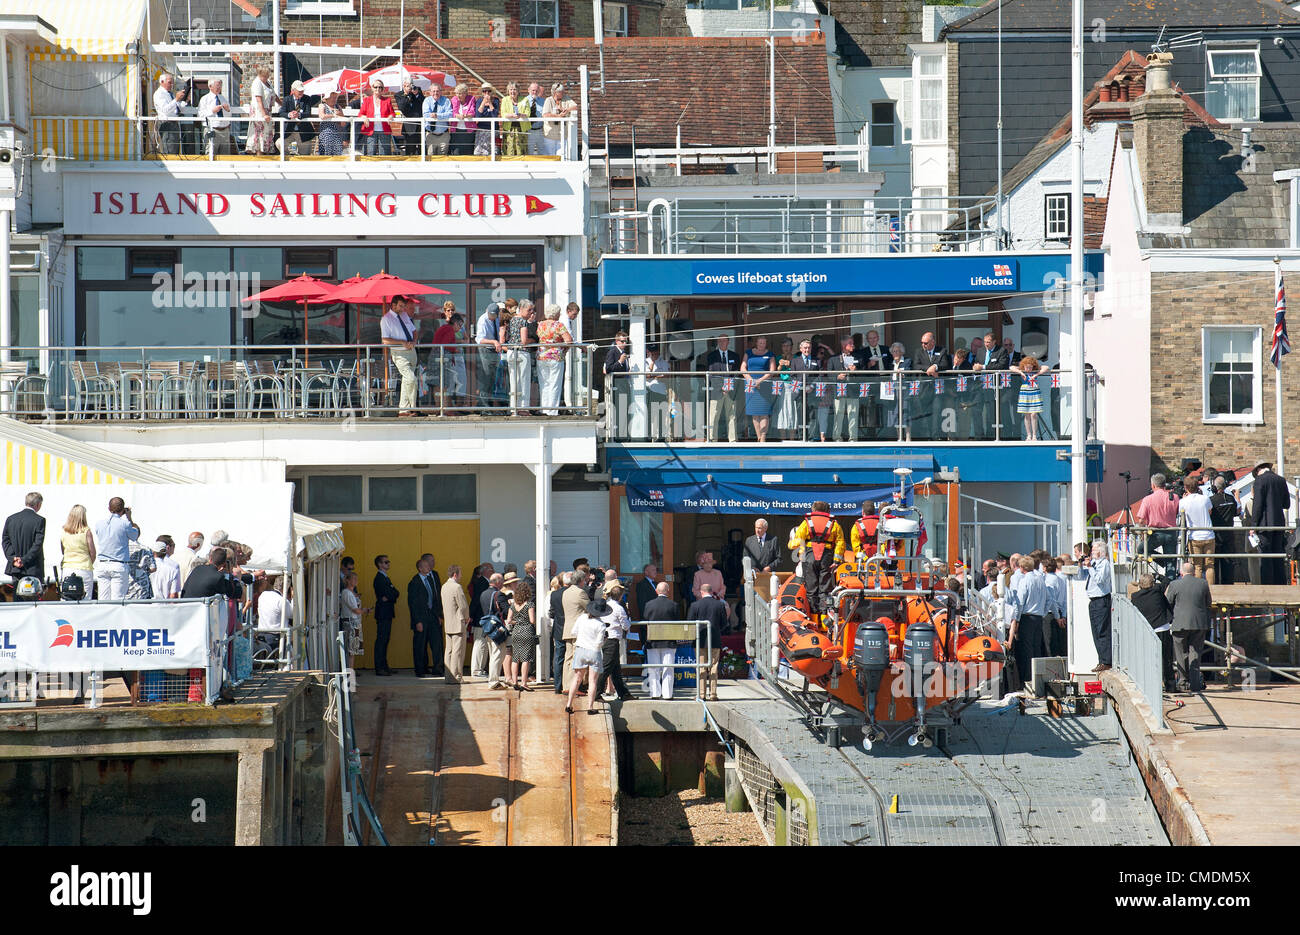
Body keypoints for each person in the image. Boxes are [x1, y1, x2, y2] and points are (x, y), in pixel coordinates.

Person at [787, 501, 846, 618]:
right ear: (827, 511)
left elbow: (798, 540)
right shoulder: (834, 524)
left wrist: (791, 544)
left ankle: (814, 618)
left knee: (811, 589)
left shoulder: (806, 523)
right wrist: (836, 561)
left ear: (814, 510)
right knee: (825, 589)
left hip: (809, 557)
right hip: (827, 557)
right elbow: (840, 543)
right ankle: (824, 618)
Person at [1165, 561, 1211, 694]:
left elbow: (1168, 602)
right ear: (1194, 572)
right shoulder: (1203, 583)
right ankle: (1195, 683)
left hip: (1179, 623)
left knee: (1180, 654)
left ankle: (1183, 682)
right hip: (1198, 623)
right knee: (1195, 653)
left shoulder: (1174, 584)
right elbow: (1208, 602)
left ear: (1181, 572)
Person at [1131, 572, 1177, 692]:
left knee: (1147, 659)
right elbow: (1167, 581)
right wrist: (1157, 576)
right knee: (1166, 659)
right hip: (1162, 628)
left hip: (1146, 631)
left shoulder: (1135, 597)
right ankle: (1170, 686)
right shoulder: (1157, 590)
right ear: (1152, 584)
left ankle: (1148, 686)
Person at [686, 582, 729, 701]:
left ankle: (701, 694)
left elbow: (690, 623)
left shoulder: (695, 605)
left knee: (701, 667)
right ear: (711, 591)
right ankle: (713, 694)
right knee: (714, 666)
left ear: (701, 592)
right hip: (714, 639)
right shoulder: (719, 605)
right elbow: (724, 623)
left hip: (699, 640)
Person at [1009, 555, 1047, 688]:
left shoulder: (1025, 581)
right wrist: (1042, 611)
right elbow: (1047, 599)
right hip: (1038, 617)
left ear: (1022, 568)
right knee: (1037, 648)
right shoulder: (1041, 579)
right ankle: (1038, 678)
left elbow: (1019, 602)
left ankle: (1028, 679)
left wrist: (1016, 619)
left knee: (1027, 649)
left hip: (1027, 616)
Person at [566, 595, 608, 714]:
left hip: (581, 649)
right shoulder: (601, 625)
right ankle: (590, 707)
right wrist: (604, 640)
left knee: (577, 678)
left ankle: (569, 704)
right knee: (593, 681)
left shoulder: (582, 618)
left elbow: (573, 632)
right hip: (594, 652)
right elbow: (599, 643)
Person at [1251, 460, 1291, 585]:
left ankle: (1267, 588)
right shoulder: (1281, 480)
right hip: (1279, 524)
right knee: (1278, 557)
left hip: (1264, 524)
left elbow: (1257, 506)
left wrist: (1253, 526)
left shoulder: (1259, 480)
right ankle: (1281, 585)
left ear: (1258, 470)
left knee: (1266, 558)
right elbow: (1287, 504)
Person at [381, 295, 421, 416]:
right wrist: (402, 342)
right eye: (401, 306)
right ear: (393, 305)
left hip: (411, 351)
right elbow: (385, 340)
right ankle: (413, 408)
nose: (403, 308)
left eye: (404, 306)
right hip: (399, 353)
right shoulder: (386, 319)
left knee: (407, 381)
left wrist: (413, 341)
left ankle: (403, 410)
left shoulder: (404, 315)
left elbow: (414, 331)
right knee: (411, 378)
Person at [91, 498, 138, 601]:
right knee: (118, 600)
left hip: (103, 564)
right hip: (118, 565)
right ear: (123, 509)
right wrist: (129, 518)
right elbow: (135, 535)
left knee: (103, 599)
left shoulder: (99, 524)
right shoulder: (125, 524)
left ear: (109, 508)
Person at [1077, 539, 1113, 672]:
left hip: (1101, 599)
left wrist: (1090, 567)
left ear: (1101, 552)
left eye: (1094, 549)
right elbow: (1081, 577)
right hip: (1093, 600)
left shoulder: (1104, 564)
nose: (1091, 552)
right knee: (1095, 632)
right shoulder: (1093, 563)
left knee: (1102, 631)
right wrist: (1082, 565)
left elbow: (1099, 579)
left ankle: (1107, 660)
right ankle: (1101, 659)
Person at [641, 581, 680, 700]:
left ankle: (655, 693)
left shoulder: (649, 605)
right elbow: (677, 623)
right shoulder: (673, 605)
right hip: (669, 641)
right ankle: (668, 694)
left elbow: (645, 621)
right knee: (668, 668)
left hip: (653, 641)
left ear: (656, 591)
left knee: (653, 668)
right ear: (667, 591)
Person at [1136, 473, 1179, 576]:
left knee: (1141, 549)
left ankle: (1163, 561)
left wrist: (1142, 533)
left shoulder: (1148, 499)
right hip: (1171, 532)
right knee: (1171, 562)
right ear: (1165, 484)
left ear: (1153, 485)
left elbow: (1141, 520)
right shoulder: (1175, 497)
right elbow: (1177, 513)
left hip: (1155, 533)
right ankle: (1170, 586)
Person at [1178, 475, 1216, 584]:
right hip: (1208, 535)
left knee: (1197, 566)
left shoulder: (1183, 502)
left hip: (1194, 537)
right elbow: (1210, 511)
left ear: (1186, 487)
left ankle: (1199, 590)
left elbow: (1182, 516)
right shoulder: (1205, 498)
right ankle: (1211, 590)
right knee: (1210, 565)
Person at [535, 303, 572, 415]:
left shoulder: (540, 325)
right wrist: (563, 350)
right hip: (555, 356)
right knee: (554, 384)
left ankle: (544, 409)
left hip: (541, 356)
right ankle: (552, 411)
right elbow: (569, 340)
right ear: (556, 314)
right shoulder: (558, 325)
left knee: (544, 384)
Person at [408, 555, 441, 678]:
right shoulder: (414, 582)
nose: (429, 567)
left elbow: (436, 598)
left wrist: (438, 615)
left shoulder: (431, 579)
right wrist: (417, 621)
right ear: (420, 568)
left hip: (432, 616)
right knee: (420, 644)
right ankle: (420, 670)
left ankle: (438, 668)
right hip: (421, 618)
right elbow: (412, 604)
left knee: (436, 643)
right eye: (426, 566)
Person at [915, 331, 952, 440]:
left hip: (937, 389)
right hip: (924, 389)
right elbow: (916, 365)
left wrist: (935, 366)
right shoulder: (919, 352)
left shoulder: (942, 350)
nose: (923, 345)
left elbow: (945, 364)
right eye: (922, 342)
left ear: (932, 342)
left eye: (925, 343)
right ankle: (926, 437)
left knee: (936, 412)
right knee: (925, 414)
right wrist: (929, 369)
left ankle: (936, 437)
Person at [479, 572, 511, 689]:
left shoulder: (483, 594)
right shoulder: (499, 594)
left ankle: (494, 680)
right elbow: (506, 611)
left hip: (488, 628)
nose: (503, 583)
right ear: (497, 582)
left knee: (493, 655)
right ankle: (493, 682)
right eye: (502, 581)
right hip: (497, 629)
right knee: (498, 655)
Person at [561, 568, 591, 693]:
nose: (585, 582)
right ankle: (574, 686)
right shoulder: (580, 593)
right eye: (584, 580)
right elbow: (590, 608)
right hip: (578, 630)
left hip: (567, 628)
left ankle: (567, 685)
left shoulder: (565, 592)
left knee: (568, 658)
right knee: (576, 657)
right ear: (581, 580)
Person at [705, 335, 740, 443]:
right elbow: (710, 374)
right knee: (714, 415)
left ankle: (733, 439)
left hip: (731, 390)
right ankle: (712, 438)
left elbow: (737, 373)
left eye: (724, 341)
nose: (721, 343)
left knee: (731, 415)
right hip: (717, 390)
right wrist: (722, 387)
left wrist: (729, 386)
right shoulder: (712, 356)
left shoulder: (734, 355)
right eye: (719, 341)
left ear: (728, 342)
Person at [504, 298, 536, 413]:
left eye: (532, 310)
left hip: (511, 352)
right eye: (529, 310)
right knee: (523, 381)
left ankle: (514, 408)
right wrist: (533, 340)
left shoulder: (512, 320)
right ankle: (523, 408)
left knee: (514, 382)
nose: (531, 312)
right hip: (521, 353)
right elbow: (523, 341)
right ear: (521, 309)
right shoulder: (522, 321)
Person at [475, 300, 509, 405]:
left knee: (492, 379)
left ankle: (488, 405)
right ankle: (483, 406)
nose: (492, 317)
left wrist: (497, 343)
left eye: (494, 315)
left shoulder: (497, 318)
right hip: (485, 349)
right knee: (486, 378)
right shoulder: (483, 320)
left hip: (493, 350)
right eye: (490, 314)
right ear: (487, 311)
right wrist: (494, 342)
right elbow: (480, 339)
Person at [743, 335, 776, 443]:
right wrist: (751, 380)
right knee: (754, 412)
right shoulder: (748, 353)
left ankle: (763, 437)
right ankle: (758, 436)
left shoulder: (770, 354)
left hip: (764, 384)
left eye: (764, 343)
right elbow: (743, 368)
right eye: (760, 343)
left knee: (764, 412)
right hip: (750, 384)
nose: (762, 345)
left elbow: (772, 370)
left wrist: (759, 380)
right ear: (756, 343)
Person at [441, 564, 470, 683]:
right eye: (460, 574)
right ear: (455, 574)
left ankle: (448, 676)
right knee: (458, 652)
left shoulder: (444, 586)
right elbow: (463, 605)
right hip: (458, 623)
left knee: (449, 651)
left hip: (448, 622)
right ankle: (456, 676)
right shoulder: (457, 587)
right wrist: (467, 617)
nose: (461, 576)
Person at [1208, 475, 1240, 585]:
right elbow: (1237, 512)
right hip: (1229, 535)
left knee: (1215, 563)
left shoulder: (1211, 500)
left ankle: (1216, 585)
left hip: (1216, 536)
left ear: (1214, 488)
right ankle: (1228, 585)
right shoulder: (1231, 499)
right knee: (1228, 562)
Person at [507, 580, 538, 690]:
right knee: (526, 659)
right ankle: (523, 683)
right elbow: (532, 620)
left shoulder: (513, 605)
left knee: (515, 658)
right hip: (527, 631)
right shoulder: (529, 604)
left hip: (516, 632)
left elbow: (509, 620)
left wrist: (518, 622)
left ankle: (515, 682)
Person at [58, 504, 95, 597]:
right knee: (85, 599)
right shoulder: (86, 531)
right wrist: (89, 562)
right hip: (84, 567)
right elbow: (93, 552)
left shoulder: (64, 530)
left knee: (67, 598)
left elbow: (63, 550)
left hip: (68, 567)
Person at [1009, 355, 1049, 441]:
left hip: (1034, 392)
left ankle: (1034, 435)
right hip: (1025, 392)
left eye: (1030, 367)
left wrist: (1037, 374)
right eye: (1027, 367)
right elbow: (1011, 367)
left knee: (1034, 414)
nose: (1028, 369)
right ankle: (1029, 435)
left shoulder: (1035, 371)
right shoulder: (1022, 370)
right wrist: (1021, 372)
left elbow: (1046, 367)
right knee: (1026, 415)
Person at [371, 554, 399, 676]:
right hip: (383, 612)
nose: (388, 564)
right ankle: (380, 667)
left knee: (385, 640)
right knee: (381, 640)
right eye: (385, 562)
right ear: (380, 564)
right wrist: (390, 594)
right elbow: (390, 593)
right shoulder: (379, 578)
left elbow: (395, 593)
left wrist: (390, 596)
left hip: (386, 612)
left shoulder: (385, 578)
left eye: (388, 562)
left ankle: (384, 665)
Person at [829, 337, 860, 442]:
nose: (853, 345)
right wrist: (837, 377)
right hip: (839, 390)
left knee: (853, 414)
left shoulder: (858, 357)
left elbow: (865, 372)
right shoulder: (833, 359)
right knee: (838, 414)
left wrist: (856, 370)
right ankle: (837, 437)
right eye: (850, 343)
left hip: (853, 390)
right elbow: (828, 374)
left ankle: (853, 438)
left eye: (853, 343)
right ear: (844, 345)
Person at [790, 339, 820, 440]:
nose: (807, 349)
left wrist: (811, 386)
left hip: (811, 392)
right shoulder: (795, 360)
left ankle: (811, 438)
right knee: (800, 415)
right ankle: (801, 437)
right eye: (805, 347)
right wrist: (800, 387)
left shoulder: (817, 360)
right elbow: (793, 376)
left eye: (809, 347)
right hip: (799, 392)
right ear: (801, 349)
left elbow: (819, 376)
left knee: (812, 415)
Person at [245, 65, 279, 155]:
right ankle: (258, 154)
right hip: (259, 111)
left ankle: (265, 153)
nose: (266, 77)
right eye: (264, 75)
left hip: (267, 110)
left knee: (266, 133)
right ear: (260, 74)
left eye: (267, 75)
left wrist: (283, 105)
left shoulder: (268, 82)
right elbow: (259, 100)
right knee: (259, 133)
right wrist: (264, 115)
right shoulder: (257, 83)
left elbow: (274, 95)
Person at [358, 78, 396, 156]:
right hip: (370, 130)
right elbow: (361, 114)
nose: (378, 89)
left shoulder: (387, 100)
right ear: (372, 88)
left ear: (383, 89)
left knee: (385, 154)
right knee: (370, 153)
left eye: (380, 87)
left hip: (384, 130)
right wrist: (364, 117)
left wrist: (390, 116)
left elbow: (392, 113)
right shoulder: (367, 100)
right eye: (376, 87)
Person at [278, 80, 317, 154]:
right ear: (293, 90)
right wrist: (289, 114)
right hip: (289, 131)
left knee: (305, 156)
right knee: (279, 143)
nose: (301, 92)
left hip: (303, 131)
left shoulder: (307, 98)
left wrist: (298, 115)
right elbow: (281, 112)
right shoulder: (287, 99)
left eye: (302, 90)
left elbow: (308, 113)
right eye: (299, 90)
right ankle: (291, 155)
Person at [773, 339, 800, 440]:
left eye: (788, 346)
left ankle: (792, 438)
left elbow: (800, 372)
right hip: (780, 386)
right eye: (784, 346)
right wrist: (780, 365)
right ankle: (783, 438)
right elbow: (774, 373)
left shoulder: (797, 358)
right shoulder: (778, 358)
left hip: (793, 385)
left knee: (792, 411)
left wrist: (790, 365)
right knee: (781, 411)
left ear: (792, 347)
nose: (786, 348)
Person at [197, 78, 233, 155]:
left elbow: (229, 115)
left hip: (224, 130)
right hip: (212, 129)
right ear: (210, 86)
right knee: (210, 153)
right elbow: (200, 115)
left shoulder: (223, 98)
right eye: (217, 86)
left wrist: (227, 110)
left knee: (225, 155)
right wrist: (212, 111)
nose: (219, 87)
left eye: (220, 86)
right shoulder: (205, 99)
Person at [153, 73, 186, 155]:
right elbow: (165, 110)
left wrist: (185, 100)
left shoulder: (169, 93)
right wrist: (176, 99)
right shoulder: (159, 94)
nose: (171, 84)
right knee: (169, 149)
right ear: (162, 82)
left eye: (172, 83)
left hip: (174, 123)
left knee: (175, 150)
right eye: (169, 82)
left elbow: (178, 109)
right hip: (167, 123)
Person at [541, 82, 577, 157]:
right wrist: (558, 116)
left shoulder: (566, 99)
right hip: (550, 136)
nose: (563, 93)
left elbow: (575, 106)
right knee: (550, 157)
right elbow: (545, 115)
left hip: (563, 135)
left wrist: (566, 110)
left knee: (562, 157)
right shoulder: (549, 100)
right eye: (561, 92)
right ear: (555, 92)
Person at [884, 342, 911, 438]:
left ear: (901, 352)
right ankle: (899, 436)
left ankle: (908, 437)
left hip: (904, 391)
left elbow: (910, 372)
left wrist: (903, 374)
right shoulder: (890, 364)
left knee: (905, 412)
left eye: (897, 351)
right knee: (895, 413)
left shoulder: (907, 361)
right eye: (893, 351)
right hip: (893, 392)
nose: (895, 353)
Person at [549, 573, 570, 693]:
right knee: (570, 658)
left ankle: (557, 686)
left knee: (558, 658)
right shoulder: (573, 593)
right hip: (570, 629)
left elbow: (551, 613)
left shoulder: (554, 594)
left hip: (558, 628)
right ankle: (568, 685)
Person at [422, 82, 454, 155]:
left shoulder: (446, 101)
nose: (435, 93)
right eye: (433, 91)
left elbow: (450, 114)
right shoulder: (427, 101)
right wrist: (441, 115)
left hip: (443, 135)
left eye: (437, 91)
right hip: (430, 135)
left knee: (442, 158)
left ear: (441, 92)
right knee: (430, 157)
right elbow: (426, 115)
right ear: (430, 92)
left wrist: (437, 115)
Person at [394, 78, 423, 155]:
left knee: (422, 150)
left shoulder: (417, 91)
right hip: (409, 126)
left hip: (420, 125)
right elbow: (401, 107)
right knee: (410, 150)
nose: (410, 87)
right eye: (408, 86)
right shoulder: (399, 95)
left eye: (411, 85)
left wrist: (417, 94)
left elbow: (423, 102)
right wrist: (406, 94)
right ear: (404, 86)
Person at [500, 82, 529, 156]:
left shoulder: (525, 99)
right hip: (509, 129)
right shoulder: (505, 100)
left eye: (515, 89)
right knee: (509, 150)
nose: (513, 91)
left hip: (521, 129)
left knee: (521, 151)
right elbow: (503, 114)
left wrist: (520, 115)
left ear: (518, 91)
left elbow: (527, 113)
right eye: (511, 89)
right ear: (508, 91)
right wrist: (512, 115)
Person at [315, 90, 347, 156]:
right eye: (331, 98)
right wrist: (334, 115)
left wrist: (340, 115)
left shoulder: (338, 107)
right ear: (326, 99)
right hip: (326, 135)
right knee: (325, 154)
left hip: (337, 135)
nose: (333, 99)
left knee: (337, 155)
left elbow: (343, 123)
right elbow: (322, 116)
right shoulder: (322, 105)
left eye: (335, 98)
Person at [449, 83, 477, 156]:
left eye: (460, 93)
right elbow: (453, 112)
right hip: (456, 130)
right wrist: (457, 115)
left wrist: (465, 116)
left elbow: (472, 112)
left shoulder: (471, 99)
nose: (458, 95)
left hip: (468, 130)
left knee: (468, 152)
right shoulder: (454, 99)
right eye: (457, 93)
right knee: (456, 152)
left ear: (465, 93)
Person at [473, 83, 499, 156]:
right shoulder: (479, 101)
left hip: (493, 130)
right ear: (482, 93)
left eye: (489, 91)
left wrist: (490, 103)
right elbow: (478, 115)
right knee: (478, 152)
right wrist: (483, 103)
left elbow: (495, 115)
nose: (487, 93)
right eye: (484, 91)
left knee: (493, 152)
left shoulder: (496, 101)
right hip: (482, 130)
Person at [522, 82, 546, 155]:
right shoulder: (524, 101)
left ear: (539, 91)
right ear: (528, 90)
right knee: (529, 151)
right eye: (533, 90)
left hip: (540, 130)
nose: (534, 92)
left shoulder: (543, 101)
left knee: (542, 151)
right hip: (529, 130)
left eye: (536, 90)